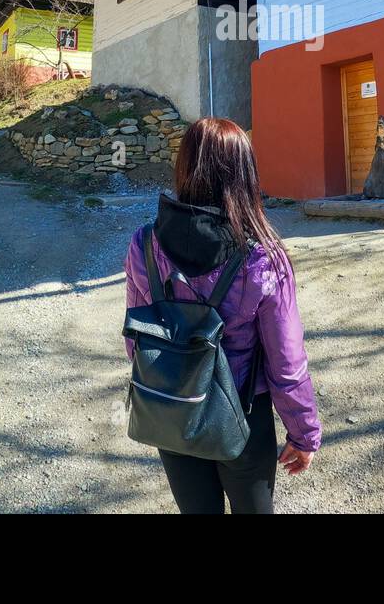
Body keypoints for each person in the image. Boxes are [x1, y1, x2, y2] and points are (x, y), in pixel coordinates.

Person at [124, 117, 320, 514]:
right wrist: (303, 433)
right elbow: (287, 362)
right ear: (245, 175)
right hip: (243, 419)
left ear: (184, 167)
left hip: (173, 409)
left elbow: (136, 339)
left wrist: (167, 384)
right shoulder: (263, 259)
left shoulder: (144, 243)